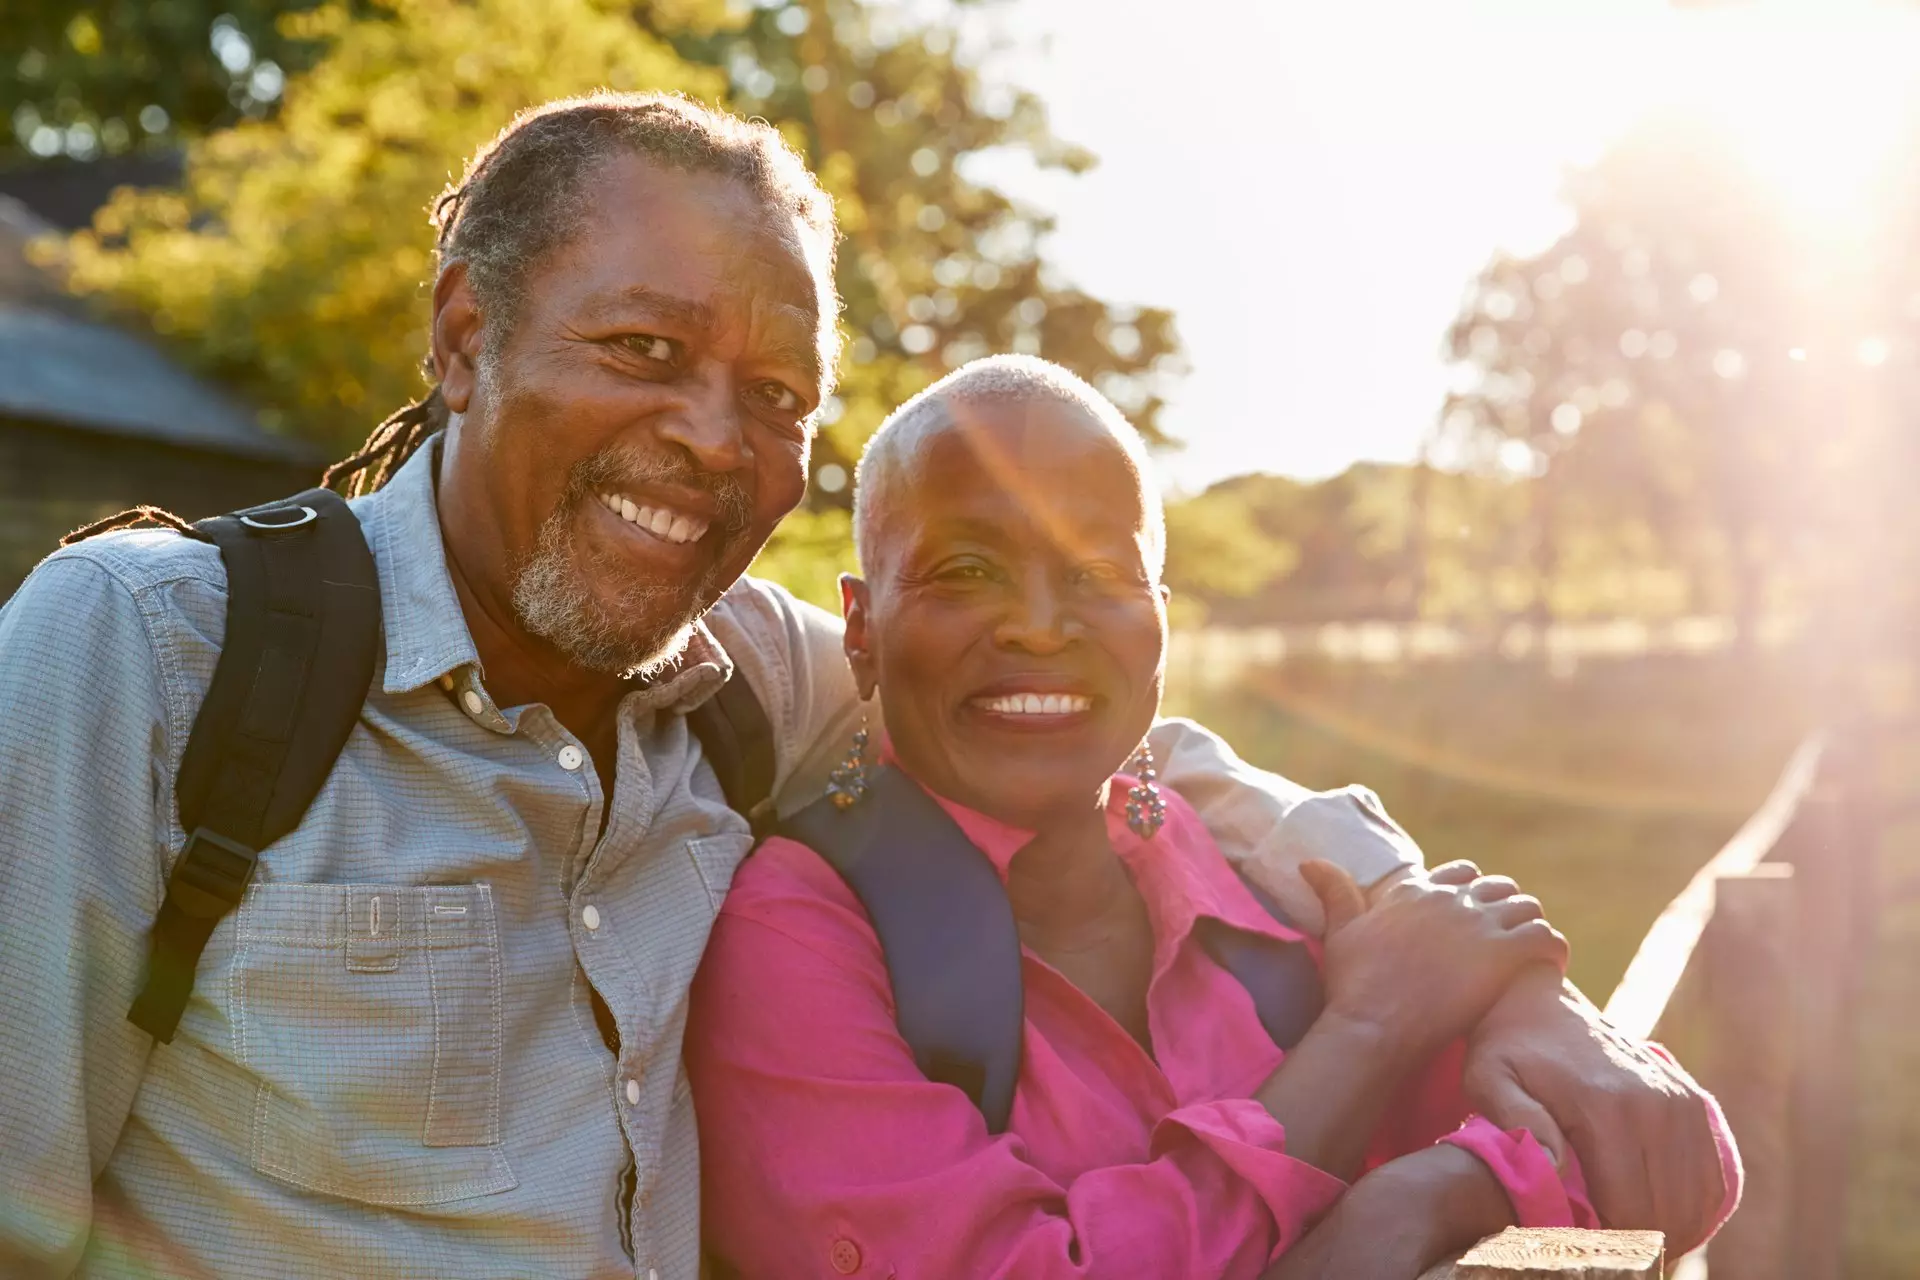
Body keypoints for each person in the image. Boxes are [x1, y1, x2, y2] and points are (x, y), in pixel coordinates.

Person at [0, 93, 1722, 1278]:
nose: (707, 436)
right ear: (462, 338)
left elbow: (1121, 732)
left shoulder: (737, 676)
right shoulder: (159, 656)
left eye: (773, 393)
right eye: (643, 353)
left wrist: (1521, 996)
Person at [684, 357, 1740, 1279]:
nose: (1043, 625)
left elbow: (1678, 1159)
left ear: (1159, 620)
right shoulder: (796, 930)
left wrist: (1450, 1171)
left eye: (1099, 572)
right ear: (863, 630)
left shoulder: (1252, 863)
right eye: (967, 569)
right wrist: (1371, 1066)